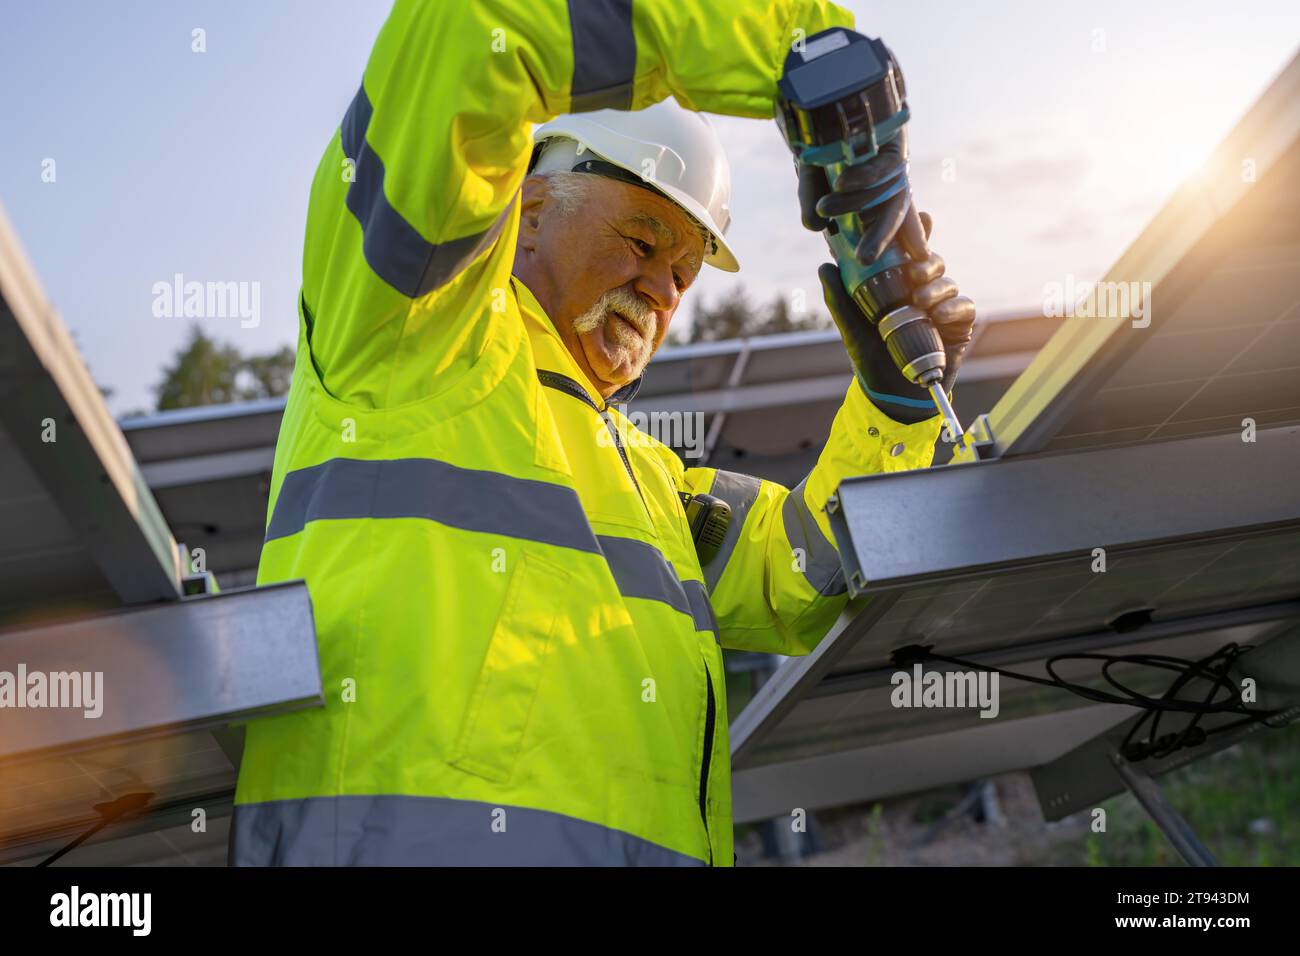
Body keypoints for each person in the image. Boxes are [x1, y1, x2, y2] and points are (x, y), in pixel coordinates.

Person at [230, 0, 974, 866]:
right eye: (640, 240)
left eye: (683, 273)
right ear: (530, 207)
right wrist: (801, 45)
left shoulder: (652, 485)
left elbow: (800, 574)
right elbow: (469, 33)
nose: (661, 289)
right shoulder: (411, 334)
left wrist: (893, 407)